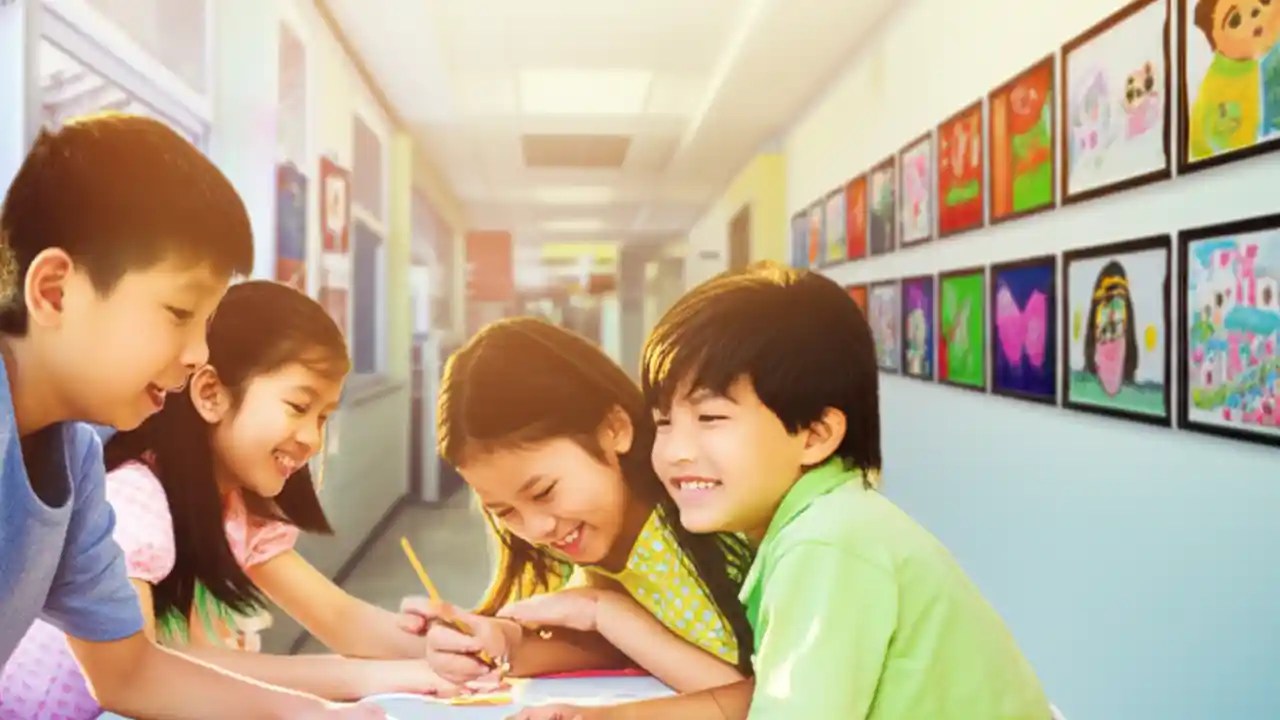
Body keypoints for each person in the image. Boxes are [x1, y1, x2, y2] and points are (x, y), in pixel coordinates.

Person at [514, 261, 1050, 719]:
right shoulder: (819, 525)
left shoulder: (827, 543)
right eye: (665, 422)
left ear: (815, 434)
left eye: (711, 417)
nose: (675, 450)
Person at [0, 113, 380, 718]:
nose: (199, 355)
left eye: (205, 324)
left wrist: (310, 714)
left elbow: (130, 672)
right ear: (54, 291)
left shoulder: (73, 457)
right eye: (178, 313)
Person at [2, 281, 455, 718]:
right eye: (299, 407)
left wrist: (444, 649)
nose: (313, 439)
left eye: (323, 417)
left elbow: (341, 617)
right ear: (210, 393)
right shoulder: (137, 500)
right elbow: (154, 669)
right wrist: (357, 677)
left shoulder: (235, 513)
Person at [401, 317, 753, 694]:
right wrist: (496, 640)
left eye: (544, 492)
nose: (536, 529)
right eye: (504, 512)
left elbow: (747, 699)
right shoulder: (585, 549)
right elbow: (599, 648)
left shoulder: (714, 521)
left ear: (614, 430)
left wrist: (606, 612)